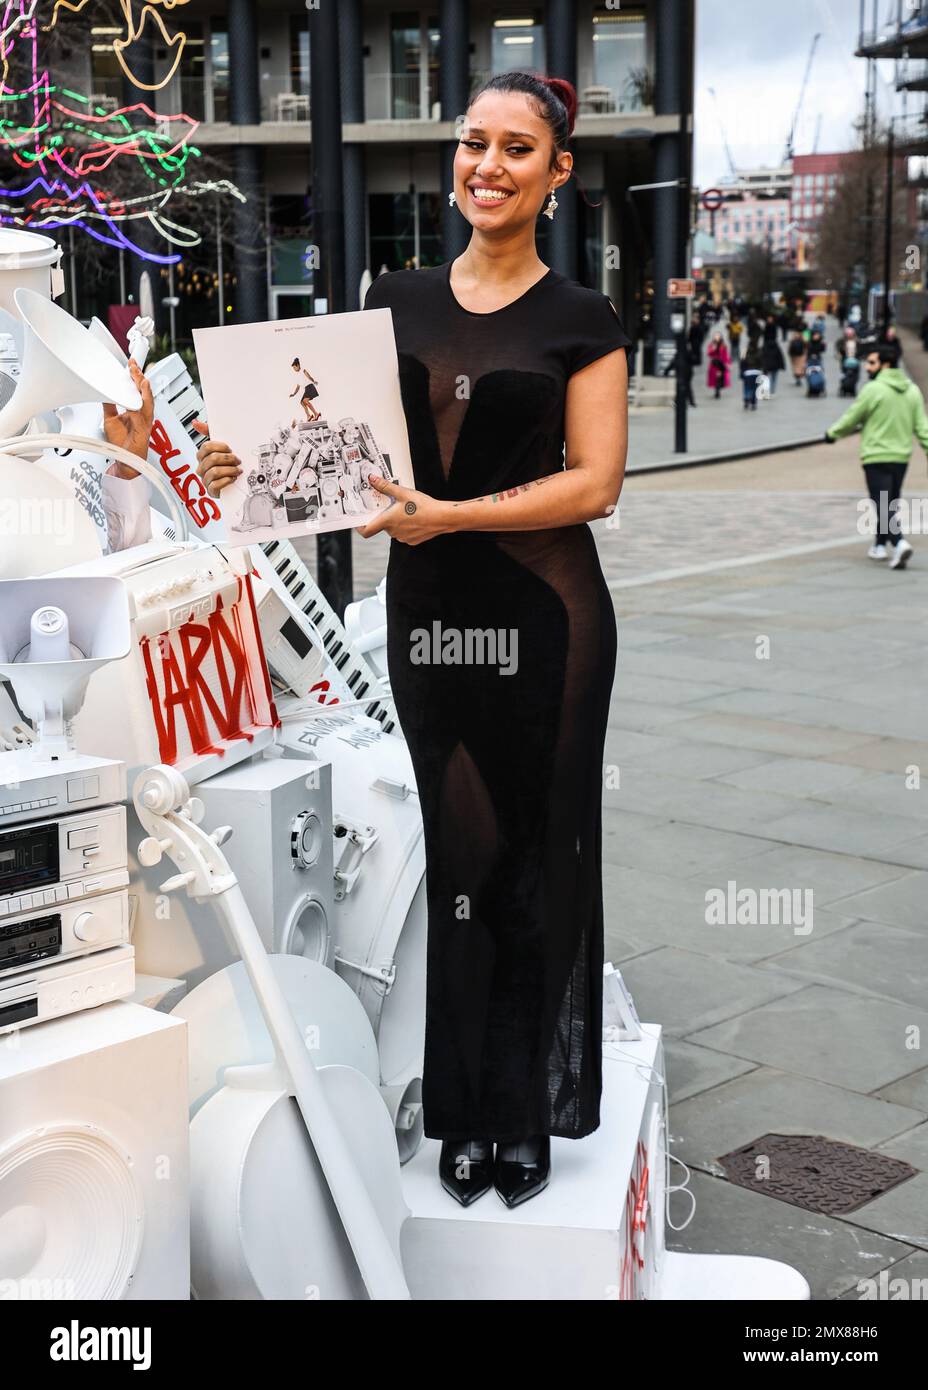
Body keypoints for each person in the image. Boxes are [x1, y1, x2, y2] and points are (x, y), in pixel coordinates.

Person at [196, 69, 629, 1211]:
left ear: (557, 173)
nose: (487, 166)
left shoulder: (580, 318)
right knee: (462, 858)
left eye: (516, 150)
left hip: (548, 614)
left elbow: (595, 483)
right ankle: (465, 1108)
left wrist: (451, 516)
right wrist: (242, 467)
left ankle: (523, 1109)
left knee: (539, 856)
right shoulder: (391, 298)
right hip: (431, 614)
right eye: (472, 143)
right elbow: (331, 453)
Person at [825, 342, 928, 569]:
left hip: (876, 456)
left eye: (872, 363)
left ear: (885, 364)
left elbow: (853, 417)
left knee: (882, 504)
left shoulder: (873, 390)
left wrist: (832, 434)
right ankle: (879, 546)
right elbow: (923, 426)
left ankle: (899, 543)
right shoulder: (912, 391)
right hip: (901, 458)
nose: (867, 367)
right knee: (889, 502)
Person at [662, 340, 697, 405]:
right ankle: (688, 401)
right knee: (686, 387)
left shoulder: (684, 353)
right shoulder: (685, 352)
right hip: (685, 372)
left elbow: (673, 363)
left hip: (685, 373)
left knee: (684, 386)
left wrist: (667, 371)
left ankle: (685, 401)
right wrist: (667, 371)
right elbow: (674, 363)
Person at [706, 330, 731, 399]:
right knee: (716, 378)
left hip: (721, 364)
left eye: (718, 336)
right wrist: (713, 349)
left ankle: (718, 390)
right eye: (715, 336)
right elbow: (709, 354)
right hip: (714, 364)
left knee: (719, 377)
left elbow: (725, 355)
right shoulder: (712, 345)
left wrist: (728, 363)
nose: (717, 337)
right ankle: (717, 391)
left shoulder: (723, 345)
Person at [741, 342, 762, 410]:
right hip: (756, 372)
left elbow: (742, 362)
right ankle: (753, 403)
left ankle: (746, 399)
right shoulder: (759, 352)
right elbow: (761, 362)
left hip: (747, 373)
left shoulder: (745, 353)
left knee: (747, 387)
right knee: (754, 388)